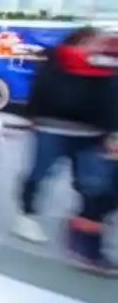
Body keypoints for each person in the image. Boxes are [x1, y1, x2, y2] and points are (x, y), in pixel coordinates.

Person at [13, 27, 117, 271]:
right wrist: (33, 118)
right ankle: (26, 214)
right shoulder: (57, 61)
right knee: (39, 173)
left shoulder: (105, 67)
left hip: (92, 135)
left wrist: (111, 131)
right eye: (94, 41)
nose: (97, 46)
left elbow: (112, 100)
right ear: (79, 41)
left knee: (92, 183)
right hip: (53, 130)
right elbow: (39, 93)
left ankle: (82, 231)